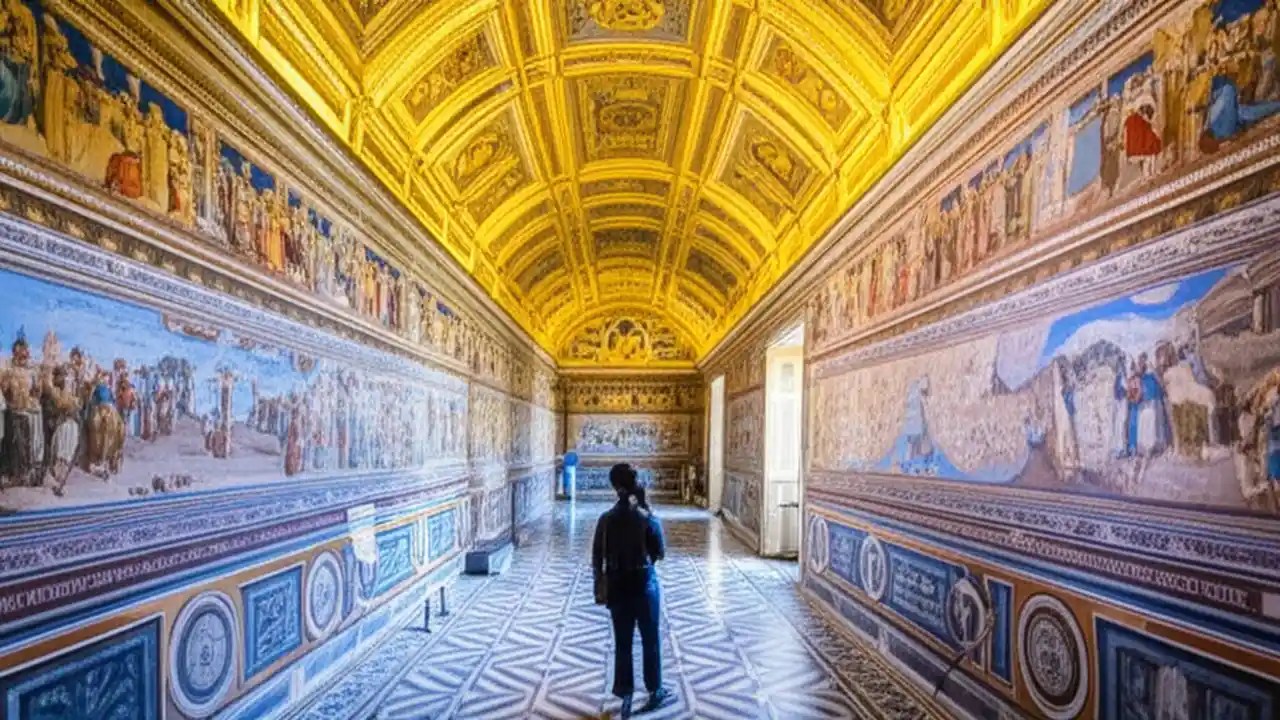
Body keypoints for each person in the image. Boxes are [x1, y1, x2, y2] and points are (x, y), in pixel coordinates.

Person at [592, 463, 670, 718]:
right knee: (650, 639)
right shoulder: (646, 518)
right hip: (645, 583)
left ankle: (624, 693)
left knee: (623, 642)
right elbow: (660, 551)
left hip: (617, 585)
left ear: (614, 487)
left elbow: (596, 557)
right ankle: (655, 690)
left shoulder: (606, 520)